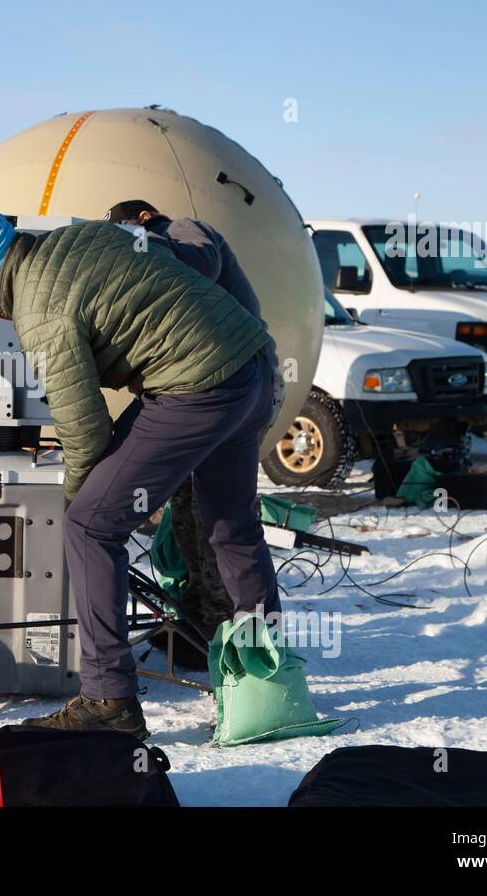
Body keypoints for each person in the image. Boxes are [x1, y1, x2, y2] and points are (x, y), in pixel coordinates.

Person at [0, 194, 284, 739]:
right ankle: (270, 680)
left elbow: (84, 429)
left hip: (196, 385)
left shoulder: (38, 309)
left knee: (91, 525)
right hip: (251, 365)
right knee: (229, 523)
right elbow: (183, 262)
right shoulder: (81, 235)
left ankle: (107, 698)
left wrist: (75, 496)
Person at [104, 200, 281, 645]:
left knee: (216, 515)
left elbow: (202, 259)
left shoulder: (184, 229)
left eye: (128, 232)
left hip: (232, 385)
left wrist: (142, 247)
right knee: (192, 510)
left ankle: (220, 626)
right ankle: (210, 621)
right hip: (222, 386)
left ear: (144, 219)